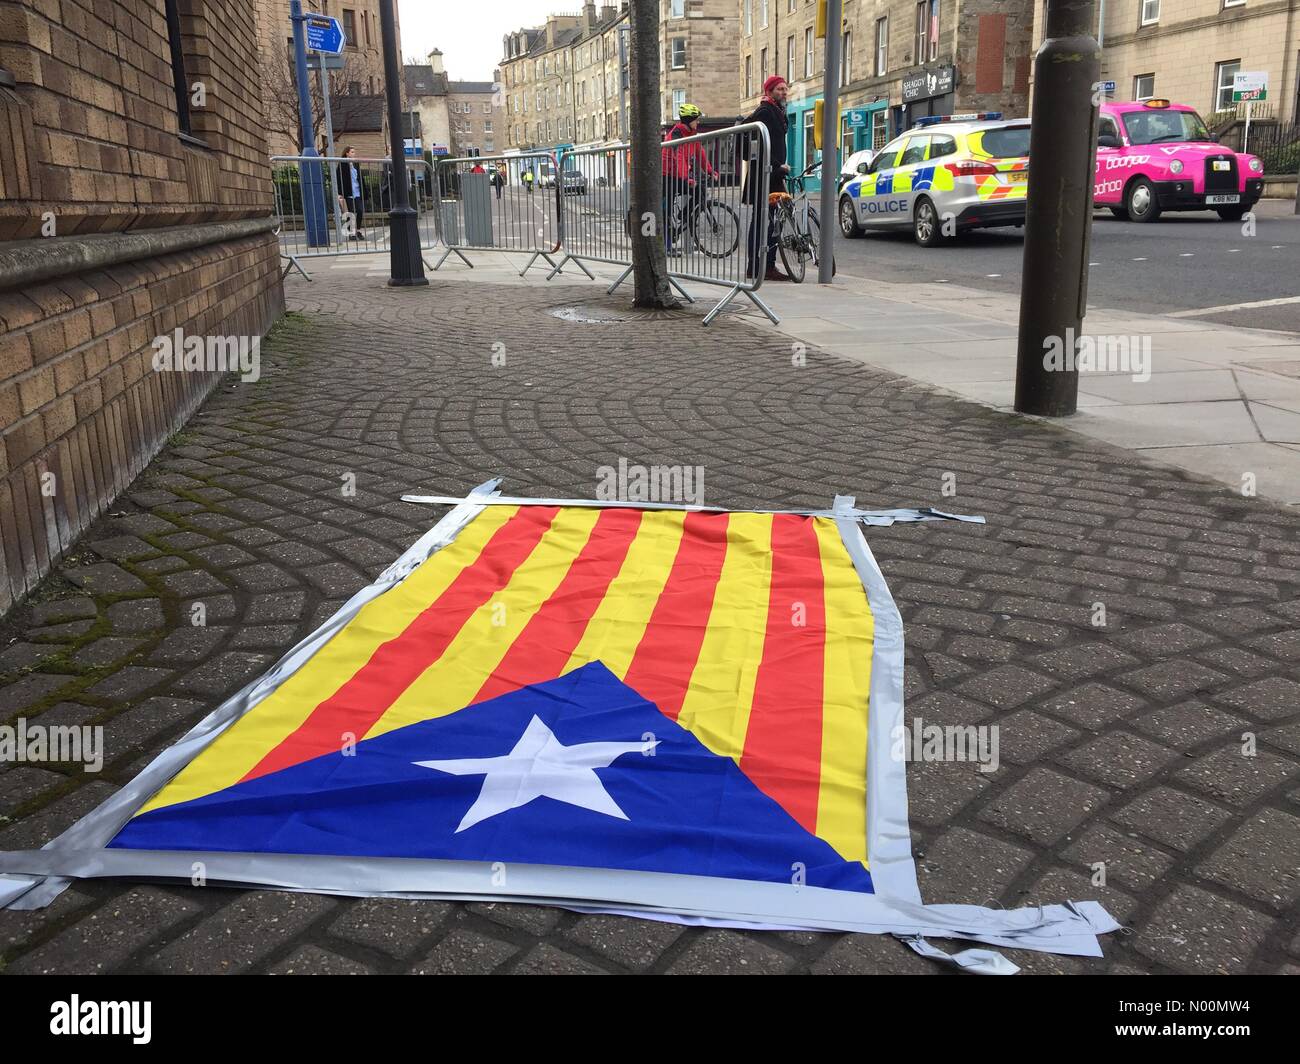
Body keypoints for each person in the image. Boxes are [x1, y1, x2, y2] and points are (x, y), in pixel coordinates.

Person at [742, 75, 790, 282]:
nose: (784, 92)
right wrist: (778, 167)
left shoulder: (775, 110)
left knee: (769, 221)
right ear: (769, 92)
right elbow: (760, 146)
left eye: (785, 89)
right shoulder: (765, 112)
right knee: (766, 221)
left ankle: (762, 265)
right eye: (779, 89)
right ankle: (762, 266)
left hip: (771, 174)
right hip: (767, 174)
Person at [660, 103, 719, 255]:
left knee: (700, 191)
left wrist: (710, 171)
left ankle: (683, 216)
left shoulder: (692, 135)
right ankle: (667, 247)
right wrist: (687, 179)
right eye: (696, 120)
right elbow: (678, 158)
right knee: (664, 211)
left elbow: (701, 154)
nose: (698, 122)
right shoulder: (676, 135)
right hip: (667, 175)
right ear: (688, 120)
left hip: (679, 174)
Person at [337, 146, 366, 240]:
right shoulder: (342, 164)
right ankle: (351, 233)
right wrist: (340, 193)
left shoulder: (355, 164)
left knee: (360, 210)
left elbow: (359, 177)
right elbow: (339, 178)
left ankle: (358, 230)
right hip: (348, 192)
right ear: (347, 153)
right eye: (352, 152)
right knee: (350, 212)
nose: (354, 154)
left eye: (354, 152)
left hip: (357, 191)